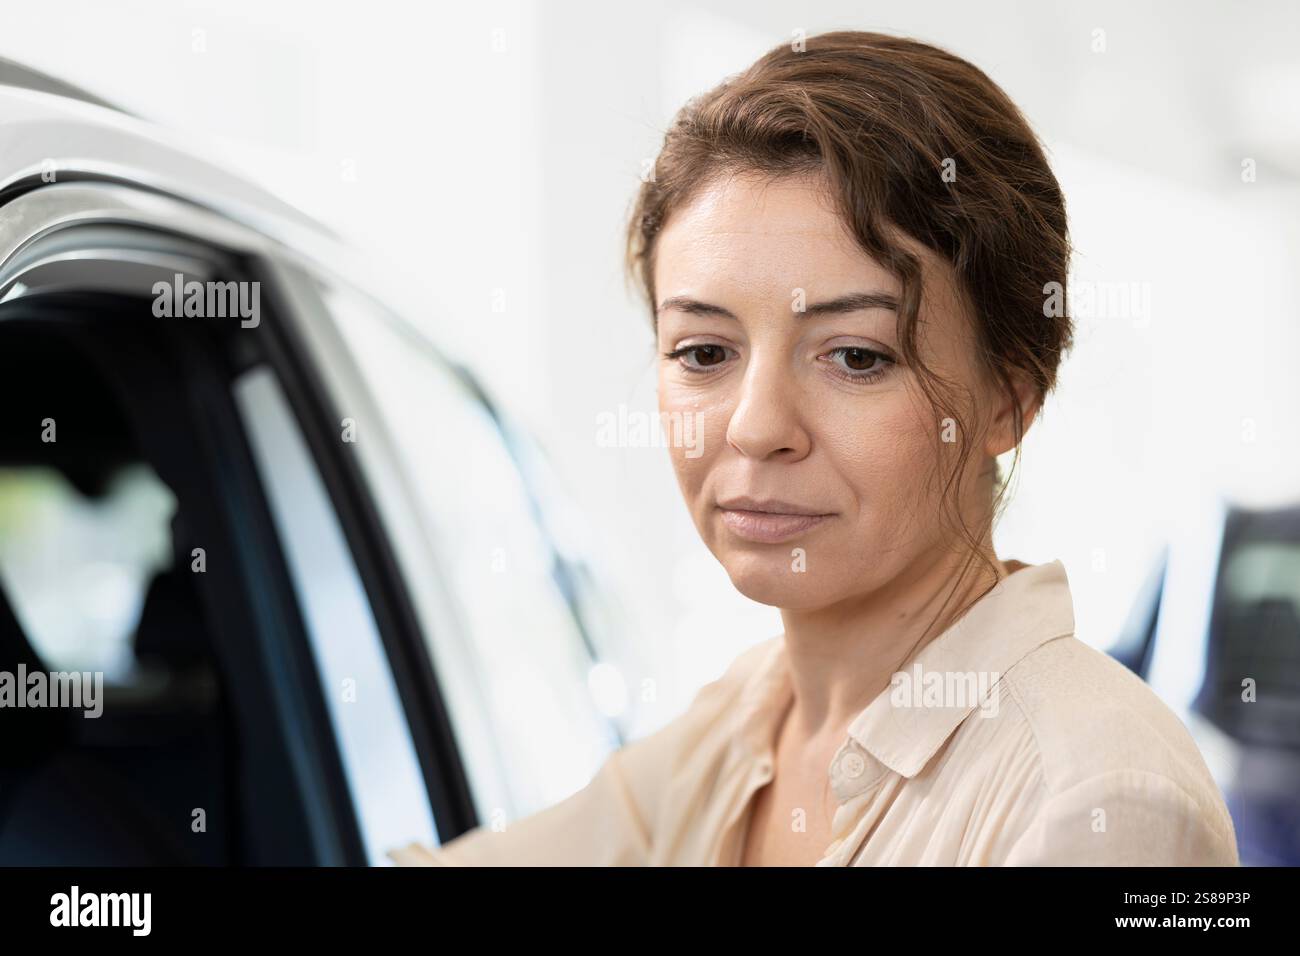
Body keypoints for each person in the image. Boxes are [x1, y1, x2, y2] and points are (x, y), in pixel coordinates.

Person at [390, 29, 1238, 866]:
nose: (756, 427)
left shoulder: (1100, 799)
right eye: (704, 352)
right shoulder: (743, 723)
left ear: (1011, 398)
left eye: (856, 357)